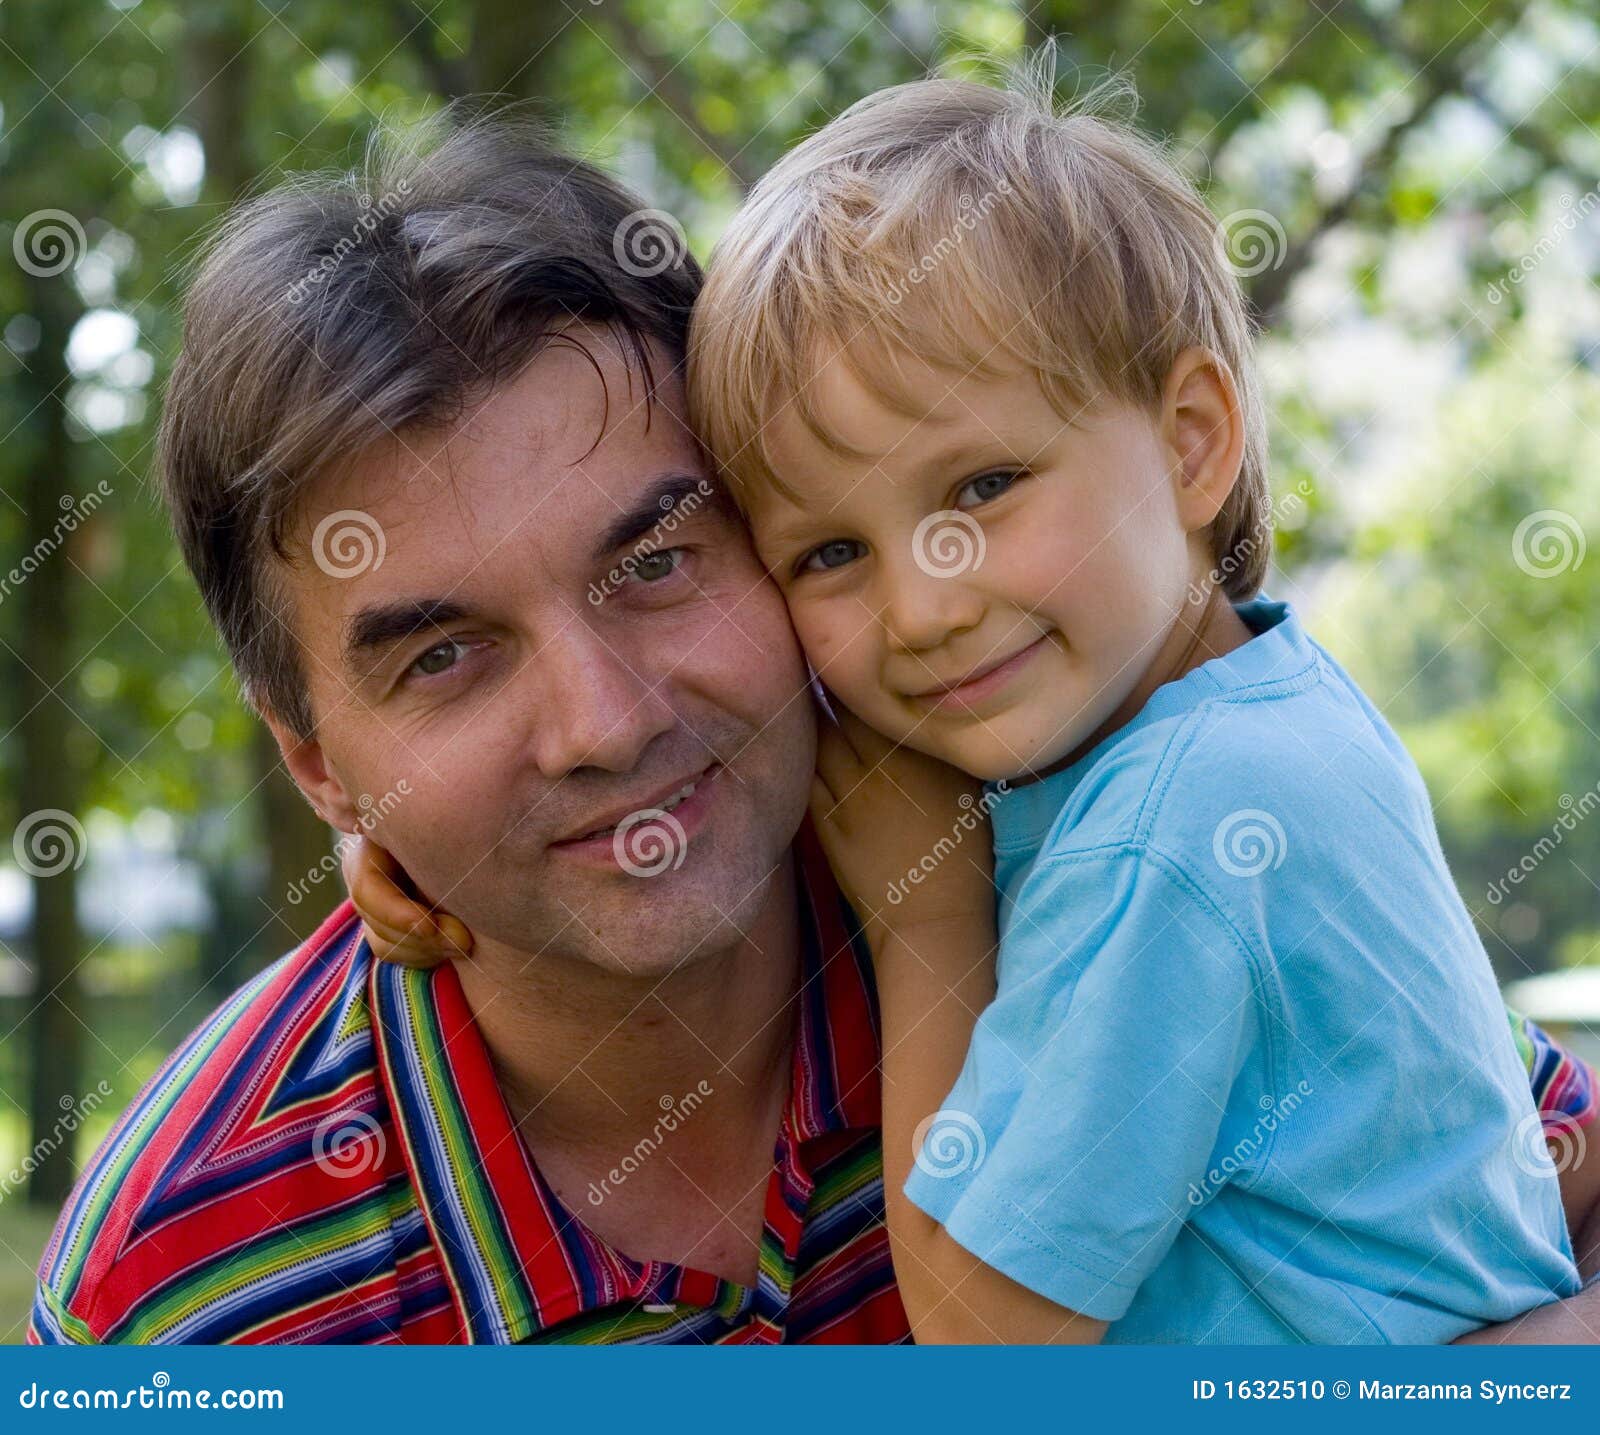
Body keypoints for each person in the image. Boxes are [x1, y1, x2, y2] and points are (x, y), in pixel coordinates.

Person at [30, 113, 1599, 1347]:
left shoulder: (1036, 852)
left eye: (654, 564)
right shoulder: (190, 1292)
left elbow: (1494, 1165)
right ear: (318, 763)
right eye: (442, 658)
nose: (601, 723)